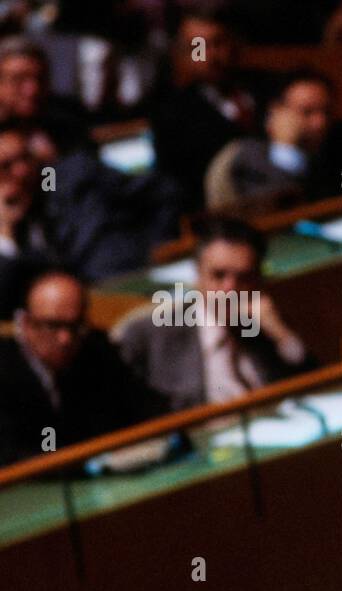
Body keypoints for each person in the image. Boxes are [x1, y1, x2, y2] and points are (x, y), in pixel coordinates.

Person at [115, 216, 313, 410]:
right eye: (219, 275)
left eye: (244, 278)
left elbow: (310, 387)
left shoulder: (266, 329)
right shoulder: (152, 336)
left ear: (259, 280)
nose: (230, 289)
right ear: (198, 275)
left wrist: (281, 334)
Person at [0, 122, 170, 318]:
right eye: (6, 166)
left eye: (25, 158)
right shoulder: (12, 219)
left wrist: (158, 245)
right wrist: (5, 228)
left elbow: (161, 191)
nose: (21, 170)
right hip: (66, 309)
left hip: (123, 281)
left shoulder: (62, 179)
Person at [0, 269, 165, 467]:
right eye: (53, 325)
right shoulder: (5, 370)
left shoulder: (98, 351)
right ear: (26, 323)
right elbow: (11, 453)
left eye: (75, 326)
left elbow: (147, 411)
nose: (65, 339)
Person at [217, 68, 342, 213]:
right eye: (307, 112)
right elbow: (282, 215)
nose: (320, 123)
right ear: (276, 112)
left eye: (326, 111)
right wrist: (286, 151)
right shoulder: (251, 157)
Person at [150, 4, 270, 213]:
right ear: (183, 53)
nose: (211, 55)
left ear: (234, 43)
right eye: (199, 47)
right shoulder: (172, 115)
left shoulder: (269, 87)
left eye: (218, 43)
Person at [0, 37, 89, 157]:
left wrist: (50, 166)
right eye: (18, 79)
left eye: (40, 79)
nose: (32, 90)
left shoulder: (65, 126)